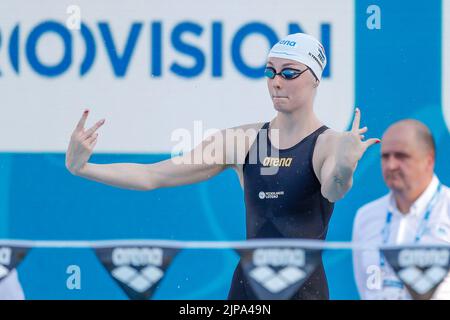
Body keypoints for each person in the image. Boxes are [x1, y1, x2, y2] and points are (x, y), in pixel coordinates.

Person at [65, 33, 379, 299]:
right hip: (246, 292)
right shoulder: (242, 141)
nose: (276, 82)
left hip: (305, 292)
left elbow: (334, 189)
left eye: (289, 73)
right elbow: (153, 175)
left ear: (314, 79)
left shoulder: (331, 144)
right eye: (270, 72)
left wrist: (345, 166)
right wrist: (83, 168)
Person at [352, 119, 450, 300]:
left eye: (401, 156)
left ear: (429, 160)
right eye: (385, 156)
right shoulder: (366, 217)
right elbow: (364, 286)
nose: (391, 165)